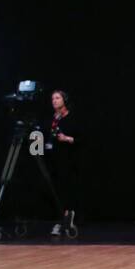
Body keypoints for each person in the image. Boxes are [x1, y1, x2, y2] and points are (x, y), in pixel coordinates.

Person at [47, 90, 79, 236]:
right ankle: (60, 219)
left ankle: (67, 218)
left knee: (67, 188)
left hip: (69, 159)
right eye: (53, 98)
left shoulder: (72, 118)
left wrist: (66, 138)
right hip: (54, 158)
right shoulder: (53, 119)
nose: (54, 101)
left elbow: (82, 139)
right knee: (56, 189)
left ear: (64, 100)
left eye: (57, 98)